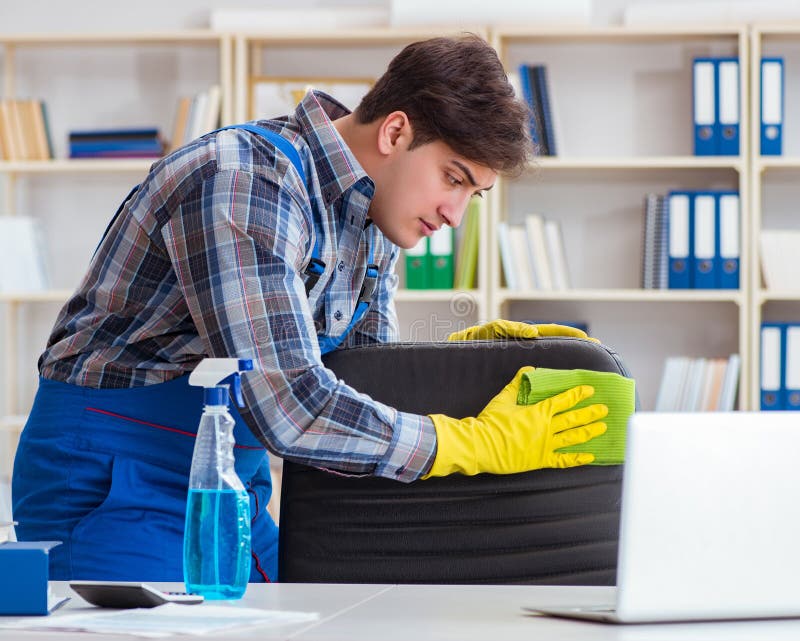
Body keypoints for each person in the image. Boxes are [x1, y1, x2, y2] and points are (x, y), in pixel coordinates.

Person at [12, 34, 608, 582]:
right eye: (453, 179)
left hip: (228, 481)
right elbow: (291, 406)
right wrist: (464, 444)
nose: (455, 215)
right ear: (396, 133)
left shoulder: (372, 217)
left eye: (472, 195)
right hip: (114, 473)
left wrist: (461, 375)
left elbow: (359, 376)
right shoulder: (245, 181)